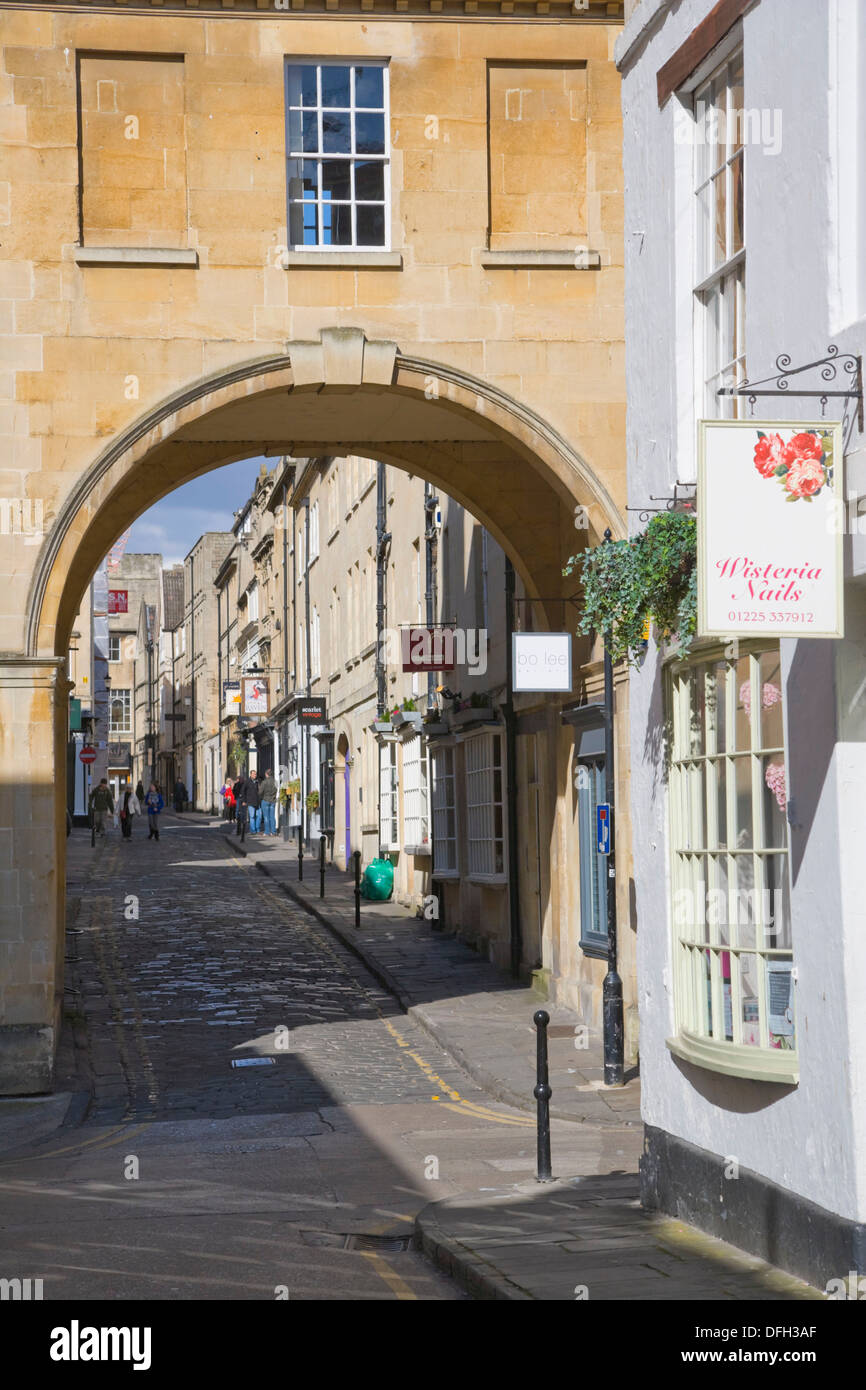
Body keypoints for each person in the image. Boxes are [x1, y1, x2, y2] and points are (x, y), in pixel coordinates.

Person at [241, 769, 262, 834]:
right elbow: (243, 791)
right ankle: (253, 830)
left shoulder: (258, 781)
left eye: (255, 774)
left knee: (259, 816)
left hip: (258, 802)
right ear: (250, 774)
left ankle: (257, 829)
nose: (255, 775)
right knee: (252, 816)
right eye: (253, 774)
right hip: (250, 801)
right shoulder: (247, 782)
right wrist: (244, 800)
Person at [259, 767, 278, 836]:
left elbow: (260, 792)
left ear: (266, 774)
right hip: (273, 800)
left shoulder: (264, 782)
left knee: (266, 817)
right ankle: (273, 831)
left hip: (265, 800)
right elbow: (276, 790)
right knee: (272, 817)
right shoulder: (275, 782)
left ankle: (267, 832)